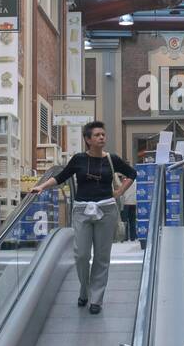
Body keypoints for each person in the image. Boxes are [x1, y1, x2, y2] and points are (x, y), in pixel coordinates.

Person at [31, 121, 136, 313]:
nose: (102, 138)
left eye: (103, 134)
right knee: (81, 255)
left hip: (106, 209)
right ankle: (84, 289)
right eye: (97, 135)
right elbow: (61, 177)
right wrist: (41, 186)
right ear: (87, 139)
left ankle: (96, 299)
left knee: (102, 257)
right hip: (81, 210)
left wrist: (119, 191)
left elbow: (132, 173)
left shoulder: (112, 159)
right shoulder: (78, 159)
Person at [120, 167, 139, 241]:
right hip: (133, 203)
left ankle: (124, 237)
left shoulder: (124, 182)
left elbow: (121, 192)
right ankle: (133, 237)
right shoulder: (135, 182)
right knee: (132, 221)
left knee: (125, 221)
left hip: (126, 203)